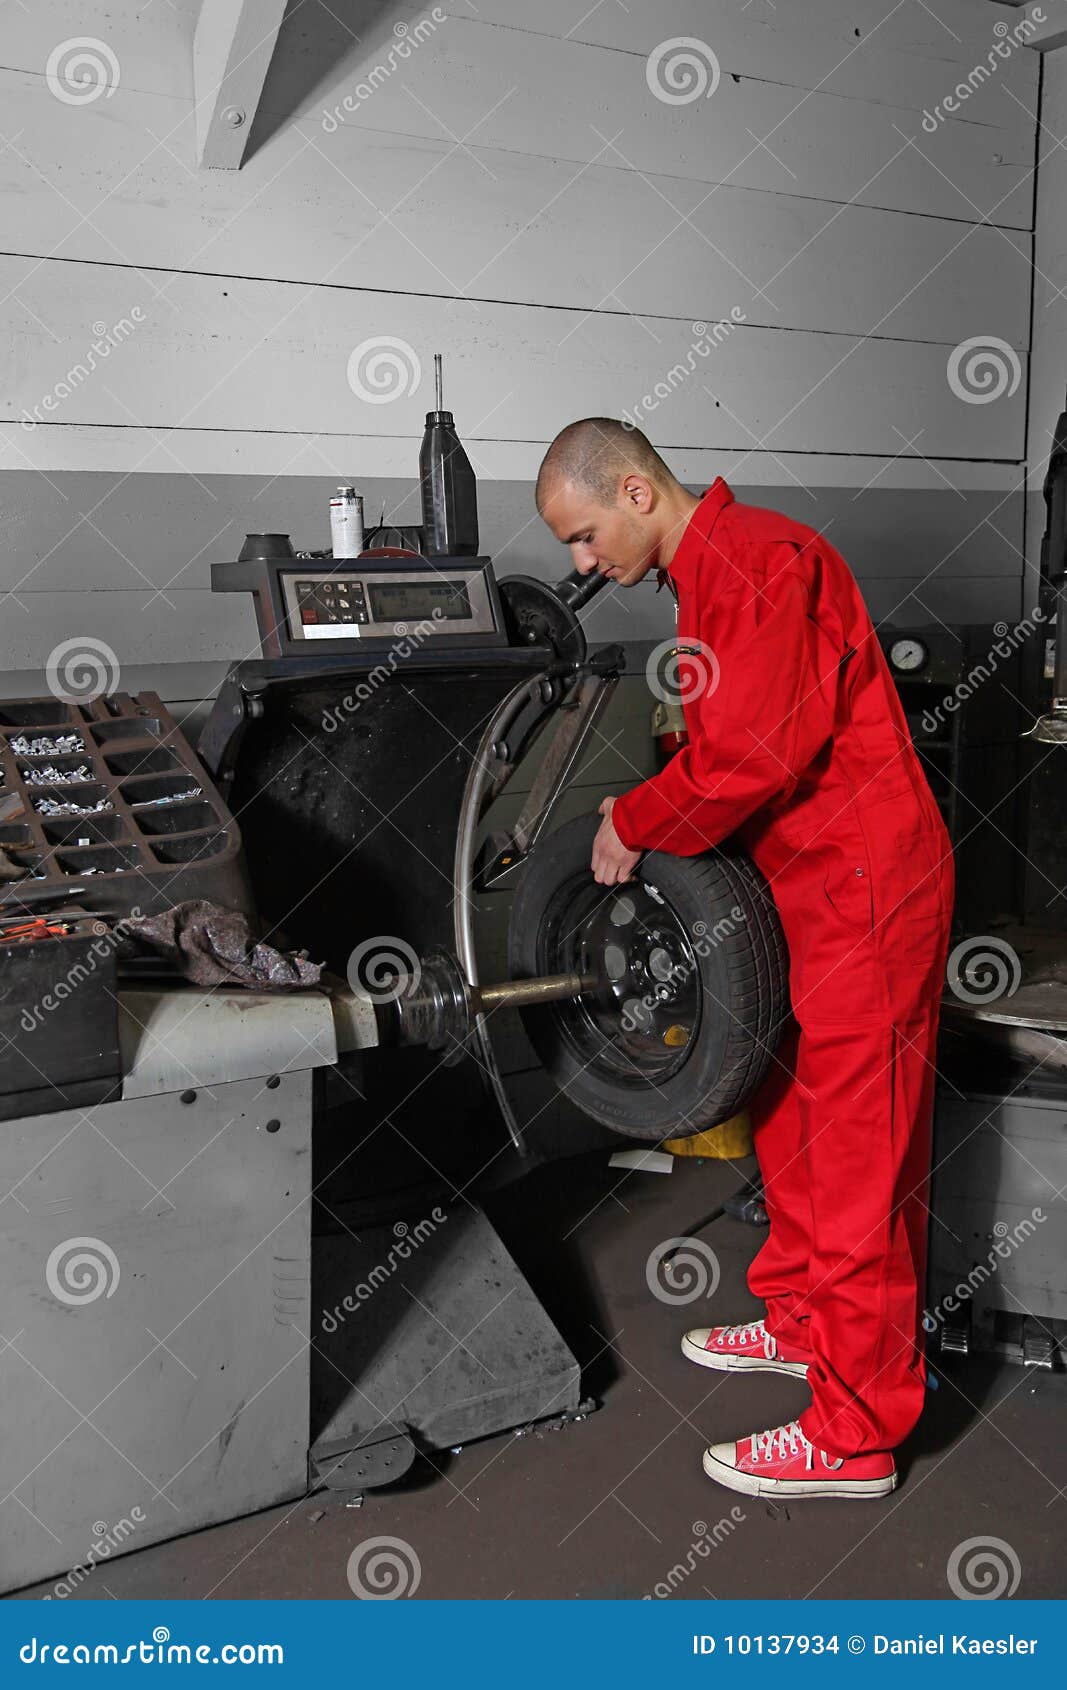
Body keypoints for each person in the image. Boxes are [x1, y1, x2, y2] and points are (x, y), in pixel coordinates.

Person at [535, 418, 955, 1500]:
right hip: (804, 890)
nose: (582, 565)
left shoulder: (761, 559)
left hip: (865, 885)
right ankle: (806, 1323)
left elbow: (757, 754)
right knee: (797, 1114)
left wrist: (634, 815)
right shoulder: (704, 582)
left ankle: (853, 1434)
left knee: (860, 1154)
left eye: (582, 536)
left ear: (634, 492)